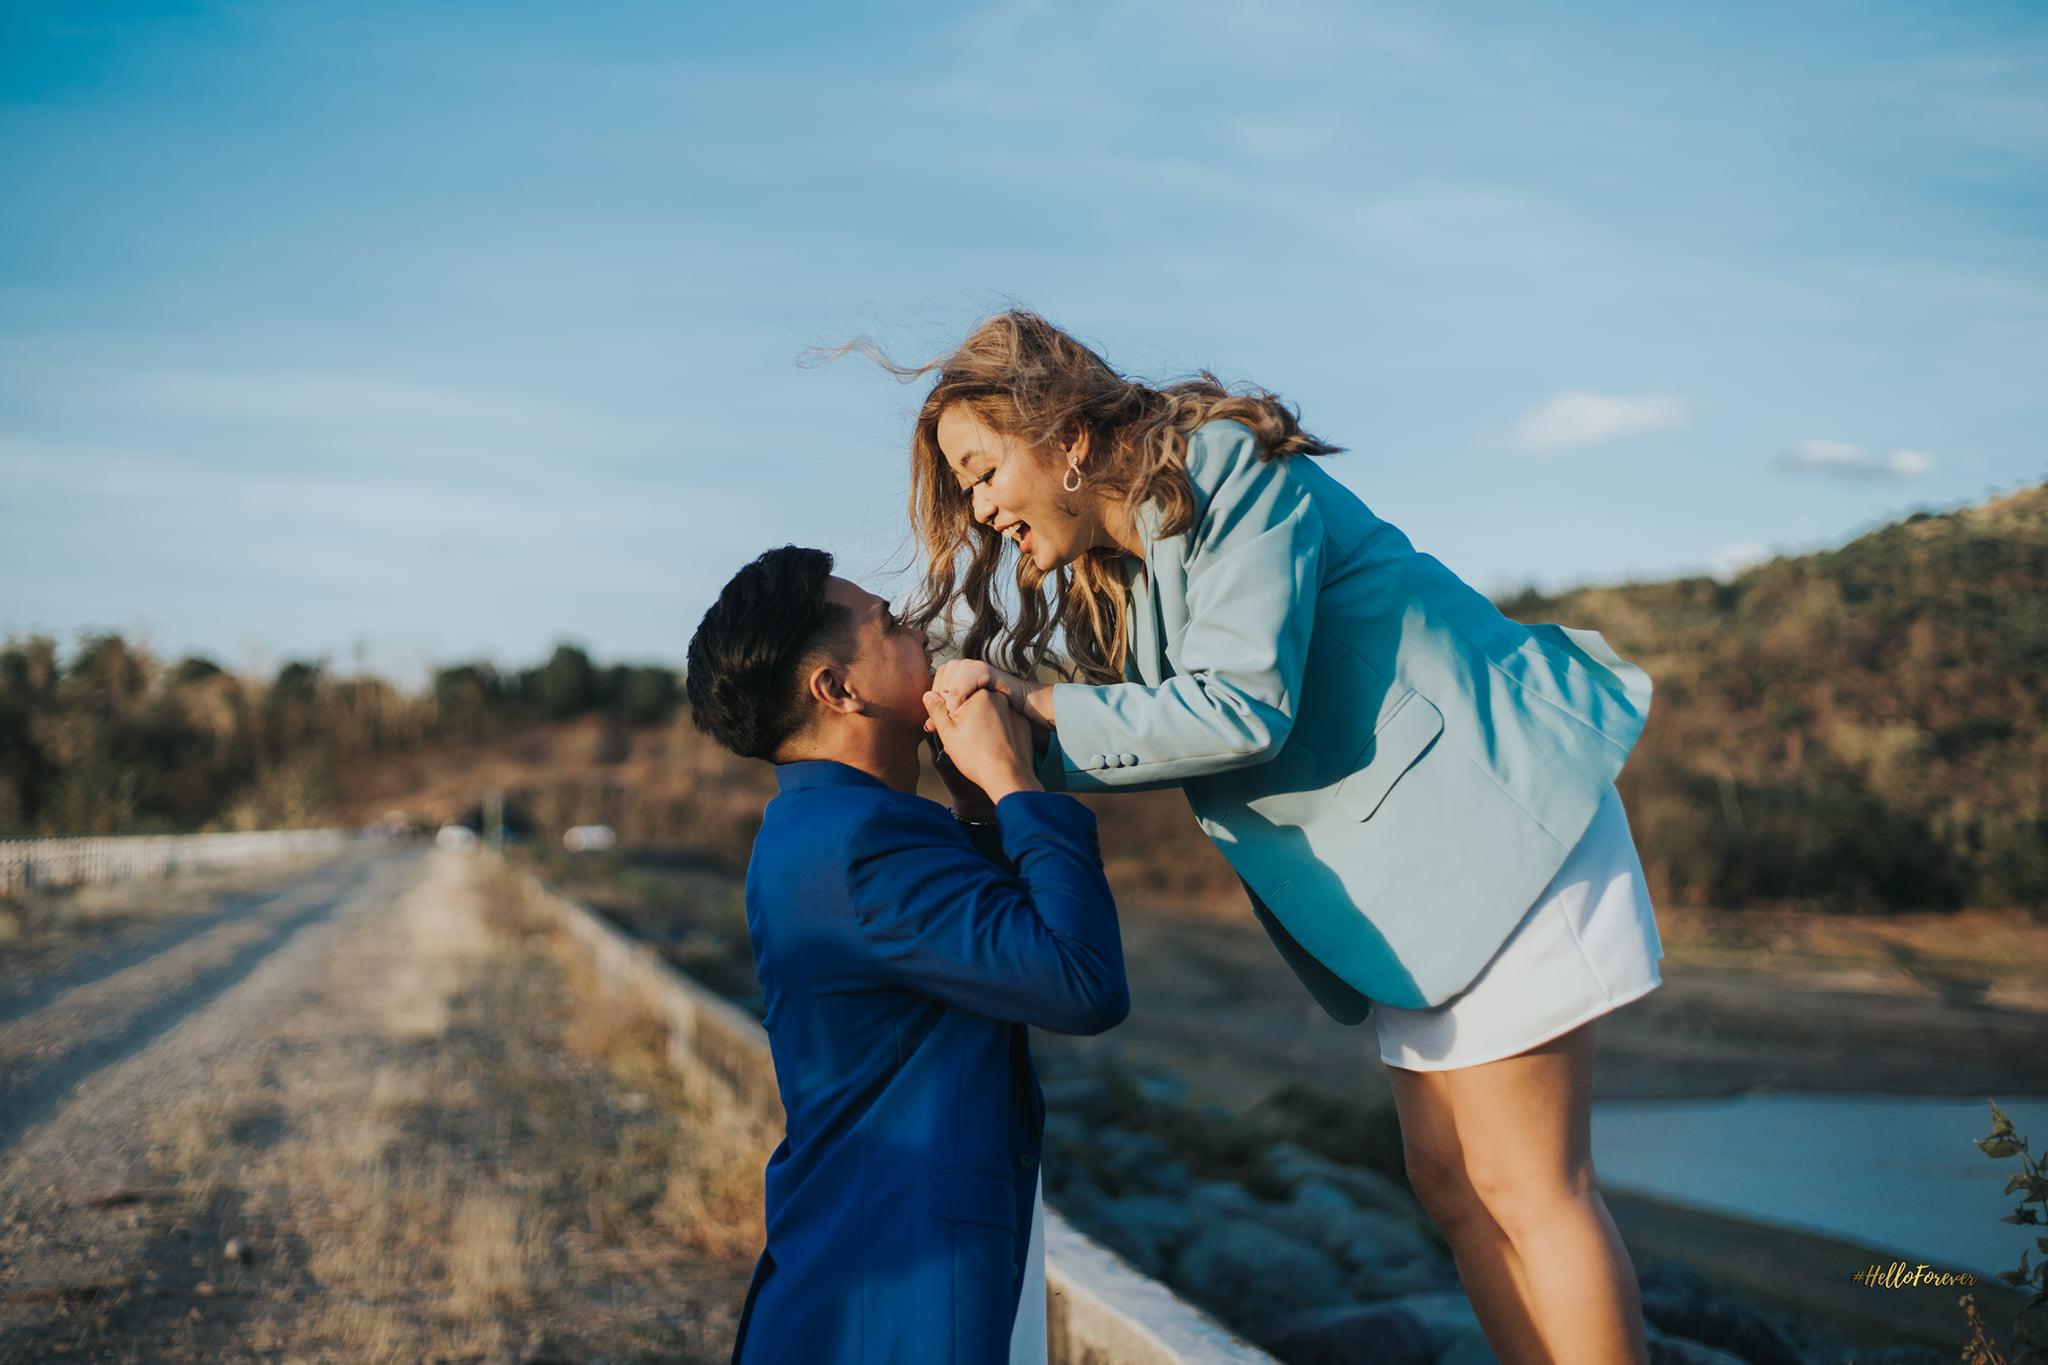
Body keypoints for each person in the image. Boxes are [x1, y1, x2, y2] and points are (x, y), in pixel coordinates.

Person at [869, 310, 1665, 1364]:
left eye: (980, 471)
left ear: (1062, 436)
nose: (976, 512)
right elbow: (1154, 733)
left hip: (1497, 826)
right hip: (1423, 889)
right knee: (1454, 1187)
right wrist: (993, 747)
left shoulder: (1225, 467)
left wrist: (1035, 707)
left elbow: (1241, 707)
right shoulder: (1126, 571)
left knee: (1528, 1186)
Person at [684, 543, 1128, 1365]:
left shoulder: (826, 832)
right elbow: (1081, 981)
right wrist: (1014, 784)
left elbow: (979, 954)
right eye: (888, 623)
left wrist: (979, 810)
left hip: (872, 1263)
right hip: (893, 1290)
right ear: (838, 688)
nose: (918, 627)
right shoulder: (861, 845)